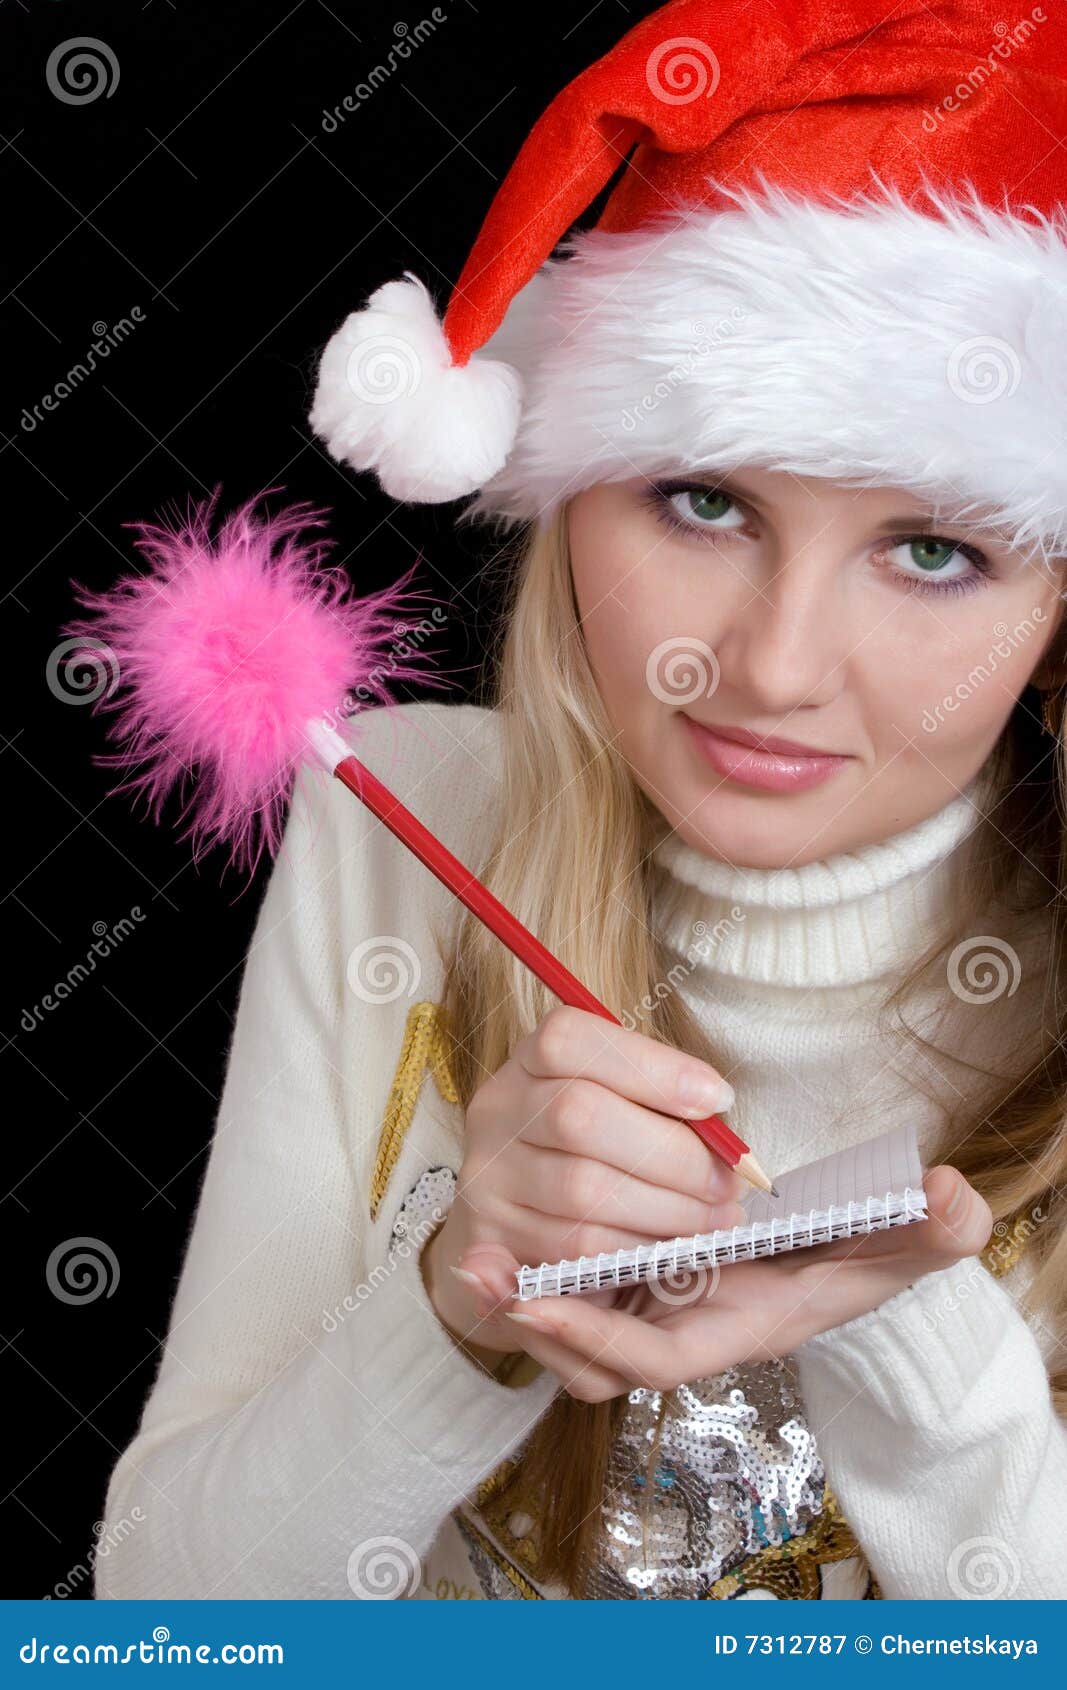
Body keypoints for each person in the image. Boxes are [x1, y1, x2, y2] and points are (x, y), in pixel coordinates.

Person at [96, 0, 1067, 1599]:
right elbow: (163, 1615)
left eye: (934, 548)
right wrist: (450, 1323)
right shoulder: (396, 817)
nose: (772, 667)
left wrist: (894, 1313)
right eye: (703, 500)